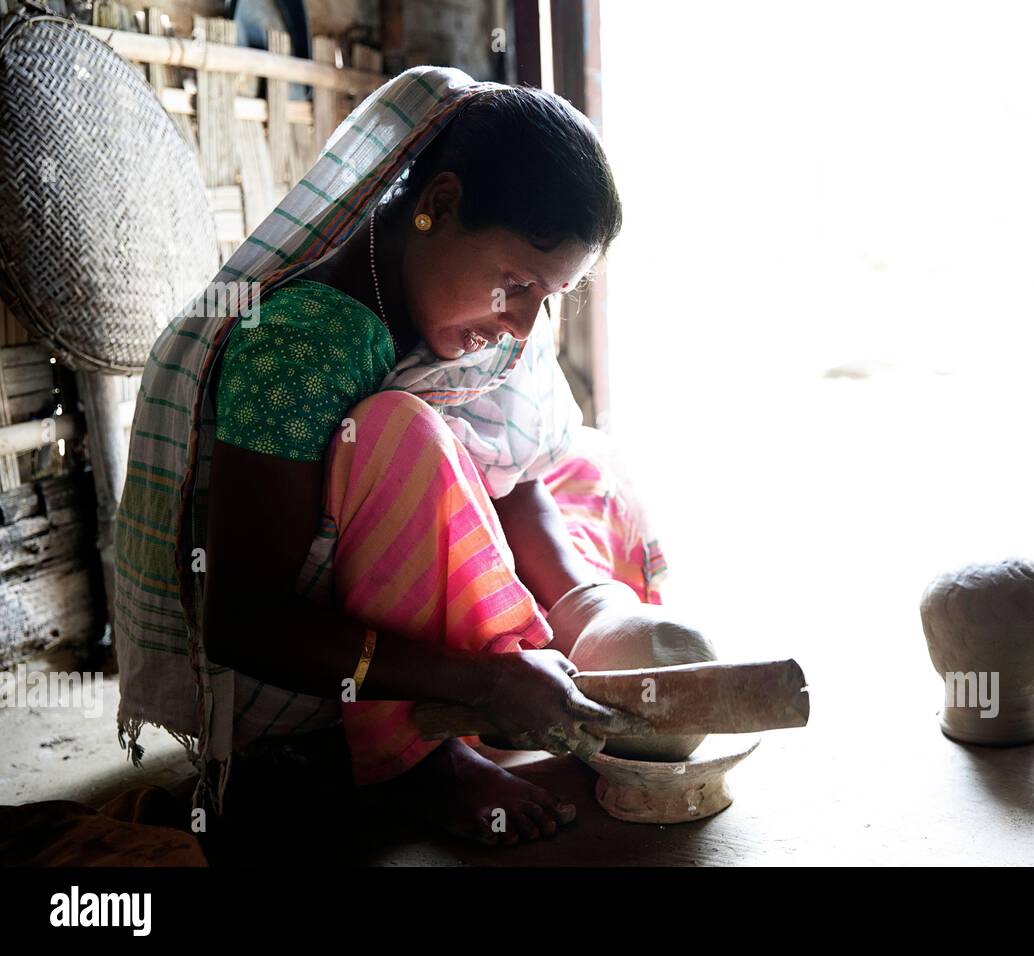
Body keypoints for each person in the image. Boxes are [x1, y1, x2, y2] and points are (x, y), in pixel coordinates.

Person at [113, 66, 708, 851]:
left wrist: (590, 613)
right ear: (437, 208)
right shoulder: (303, 344)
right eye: (517, 284)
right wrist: (483, 682)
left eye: (550, 297)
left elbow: (518, 477)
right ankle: (419, 762)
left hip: (409, 608)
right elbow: (245, 625)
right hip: (310, 671)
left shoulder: (473, 322)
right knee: (400, 434)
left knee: (588, 466)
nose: (526, 325)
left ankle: (539, 663)